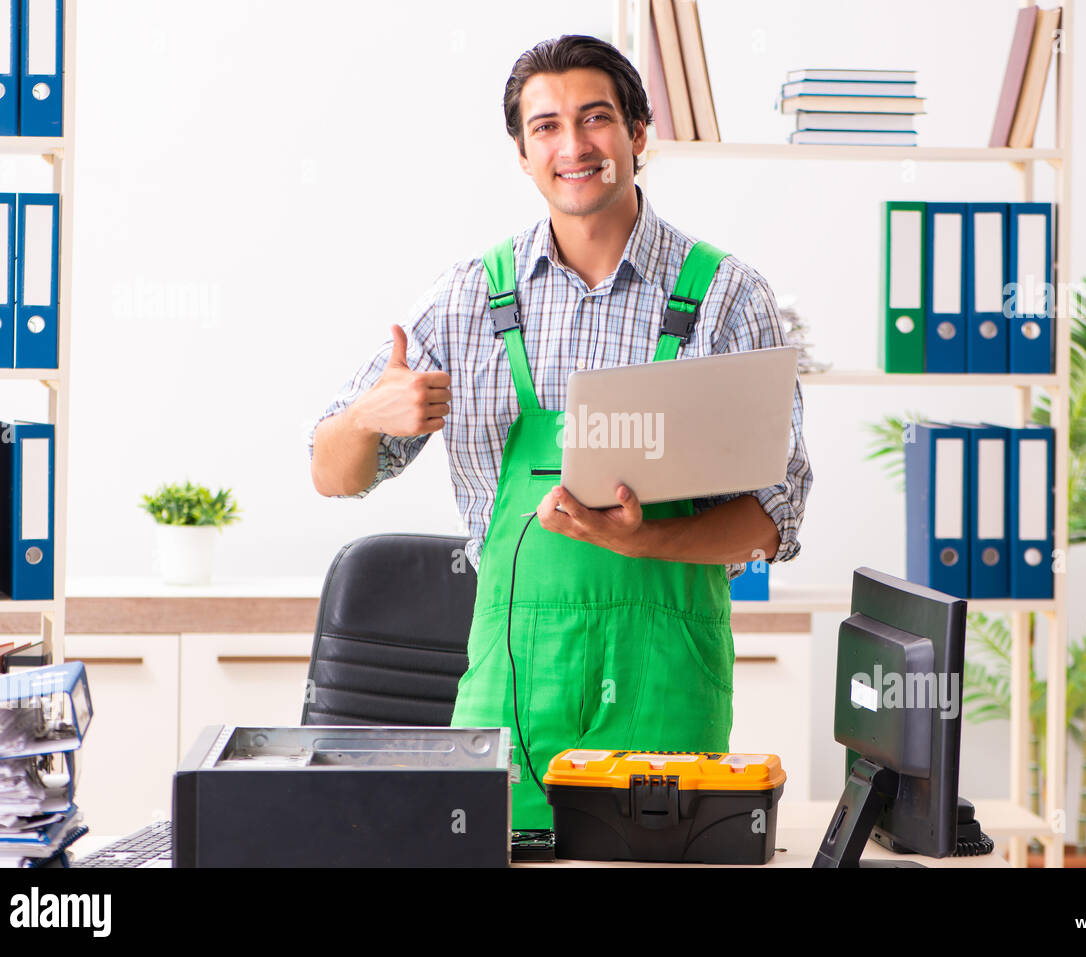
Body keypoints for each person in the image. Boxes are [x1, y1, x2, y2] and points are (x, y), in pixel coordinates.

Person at [308, 35, 812, 829]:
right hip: (511, 699)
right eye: (545, 126)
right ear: (521, 152)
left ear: (639, 135)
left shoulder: (726, 299)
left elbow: (773, 519)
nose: (572, 146)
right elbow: (332, 473)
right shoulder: (469, 299)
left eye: (596, 118)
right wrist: (369, 417)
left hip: (667, 698)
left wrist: (641, 542)